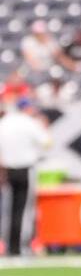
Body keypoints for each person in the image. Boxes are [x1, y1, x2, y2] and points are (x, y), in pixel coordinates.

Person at [0, 98, 51, 255]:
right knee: (25, 210)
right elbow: (47, 142)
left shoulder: (4, 122)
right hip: (25, 169)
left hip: (7, 170)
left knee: (8, 210)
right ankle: (22, 247)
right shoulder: (30, 123)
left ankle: (8, 246)